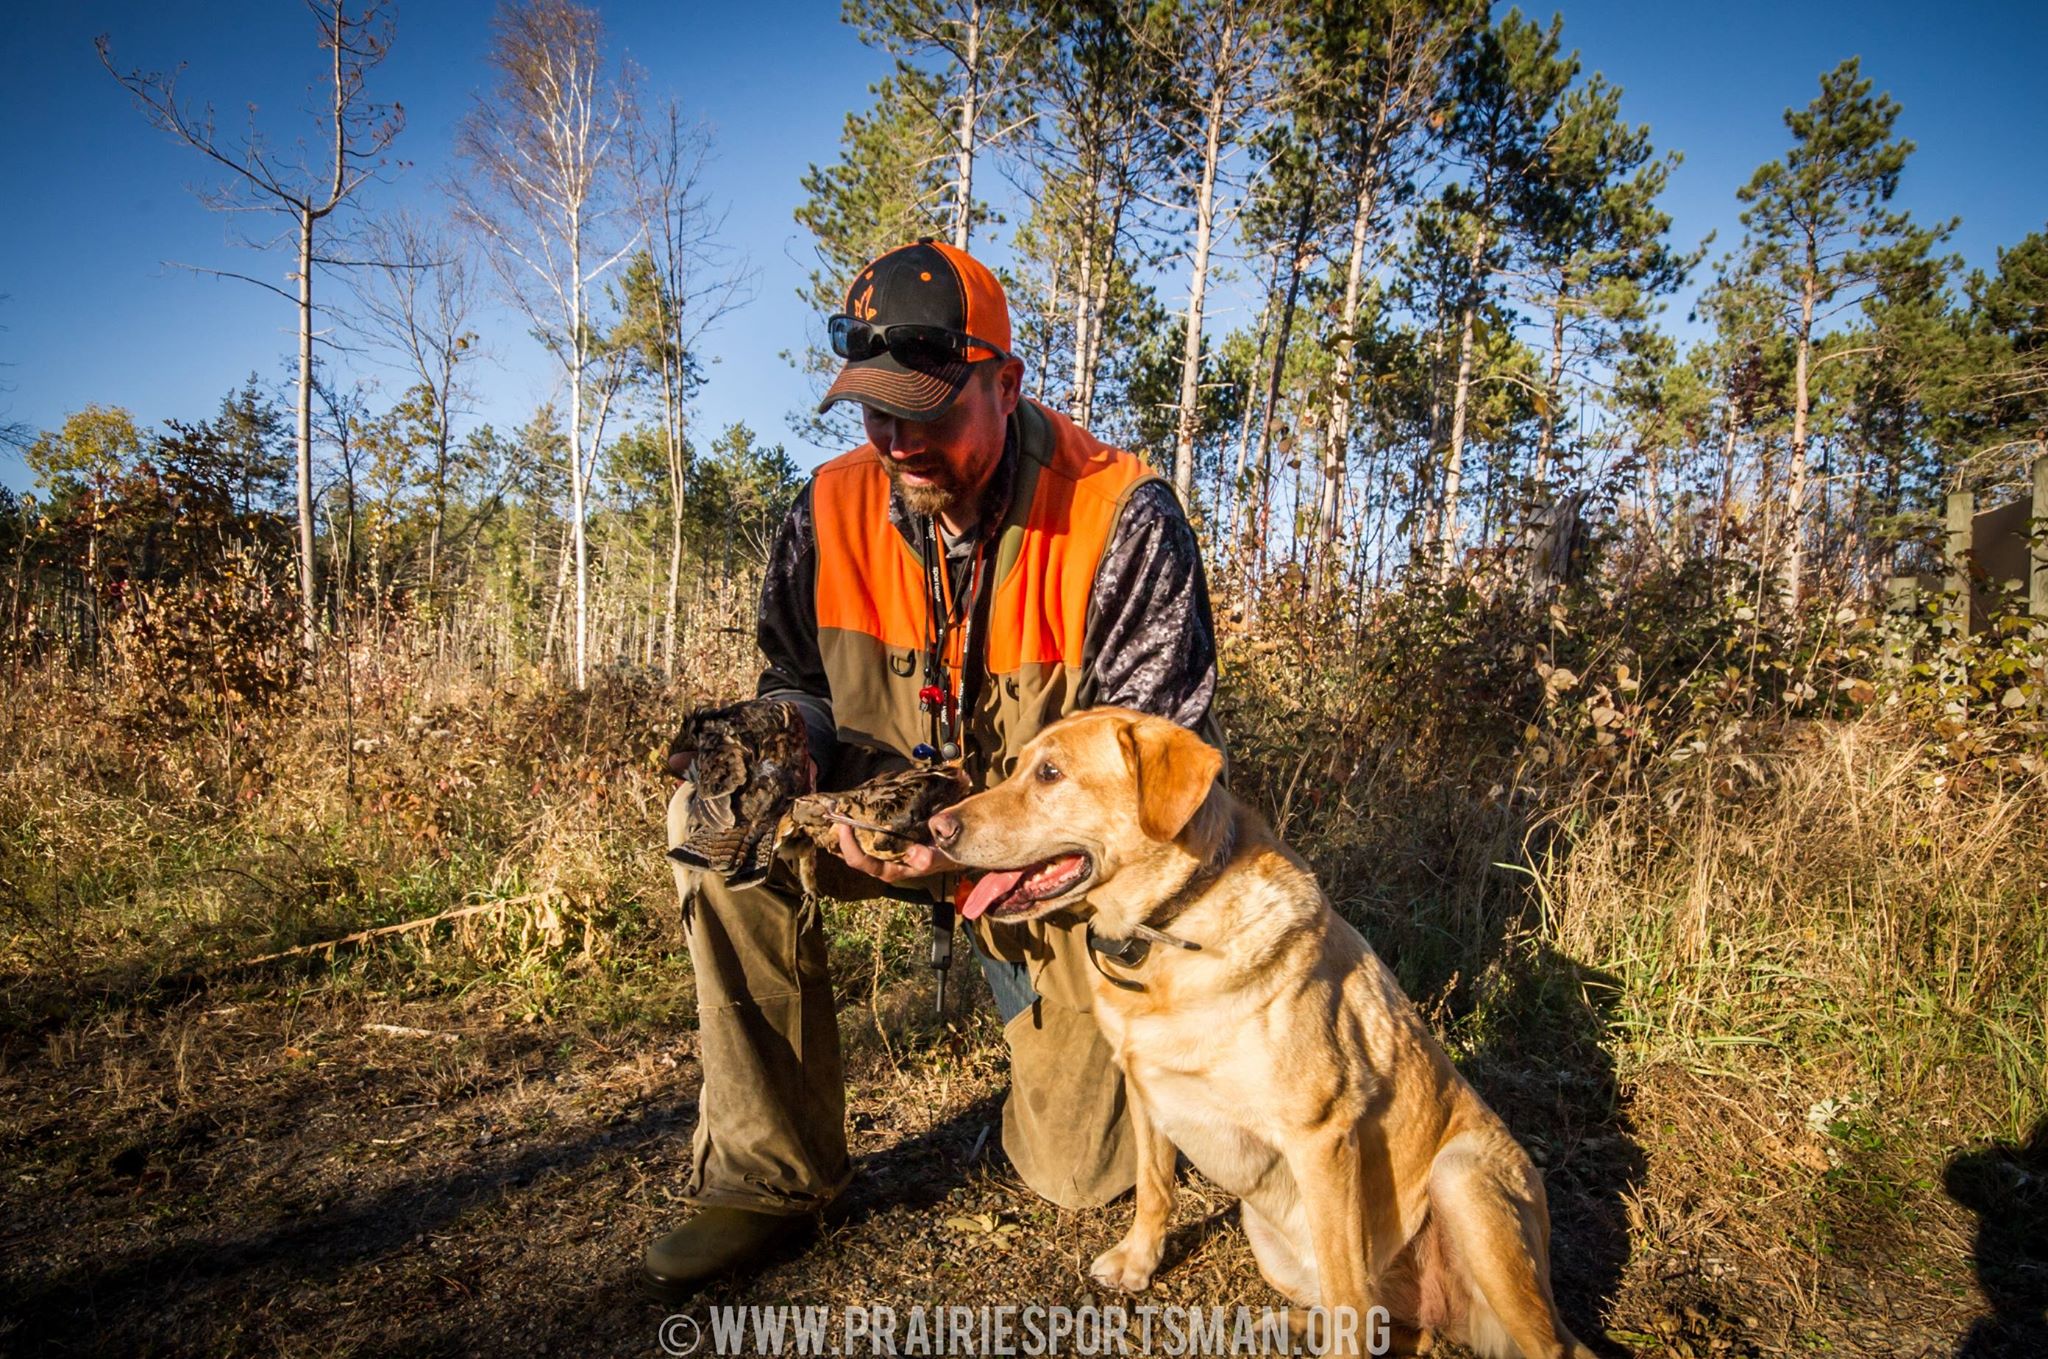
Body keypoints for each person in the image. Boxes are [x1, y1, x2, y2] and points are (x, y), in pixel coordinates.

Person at [644, 238, 1220, 1299]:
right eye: (873, 409)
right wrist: (787, 749)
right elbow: (796, 677)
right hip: (875, 820)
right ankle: (765, 1180)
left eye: (926, 409)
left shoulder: (1117, 515)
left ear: (1003, 384)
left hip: (1052, 874)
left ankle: (1038, 1007)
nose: (896, 439)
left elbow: (1148, 804)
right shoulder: (824, 507)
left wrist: (981, 870)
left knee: (1079, 1175)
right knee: (712, 804)